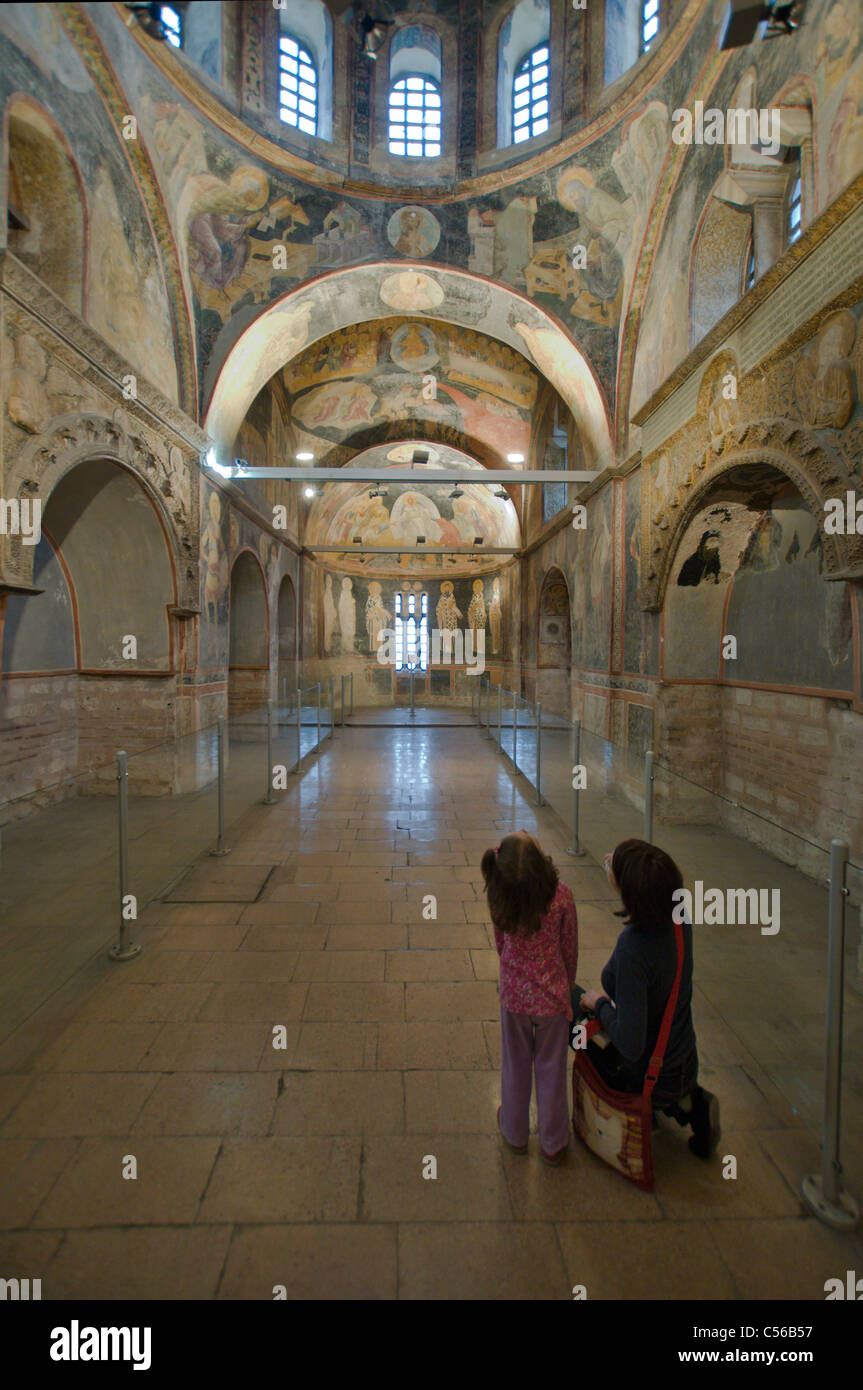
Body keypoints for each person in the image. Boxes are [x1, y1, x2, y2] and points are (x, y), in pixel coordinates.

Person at [574, 838, 720, 1158]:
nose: (608, 860)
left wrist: (597, 1003)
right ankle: (689, 1102)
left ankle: (638, 1102)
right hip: (684, 1060)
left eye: (615, 865)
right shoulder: (679, 920)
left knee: (572, 1006)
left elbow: (631, 1041)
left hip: (652, 1074)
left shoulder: (634, 947)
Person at [482, 831, 578, 1165]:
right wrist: (568, 986)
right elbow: (569, 947)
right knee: (552, 1068)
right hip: (552, 998)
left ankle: (514, 1130)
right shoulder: (562, 896)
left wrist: (512, 973)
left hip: (513, 998)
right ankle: (553, 1141)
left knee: (515, 1062)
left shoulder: (501, 895)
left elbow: (500, 943)